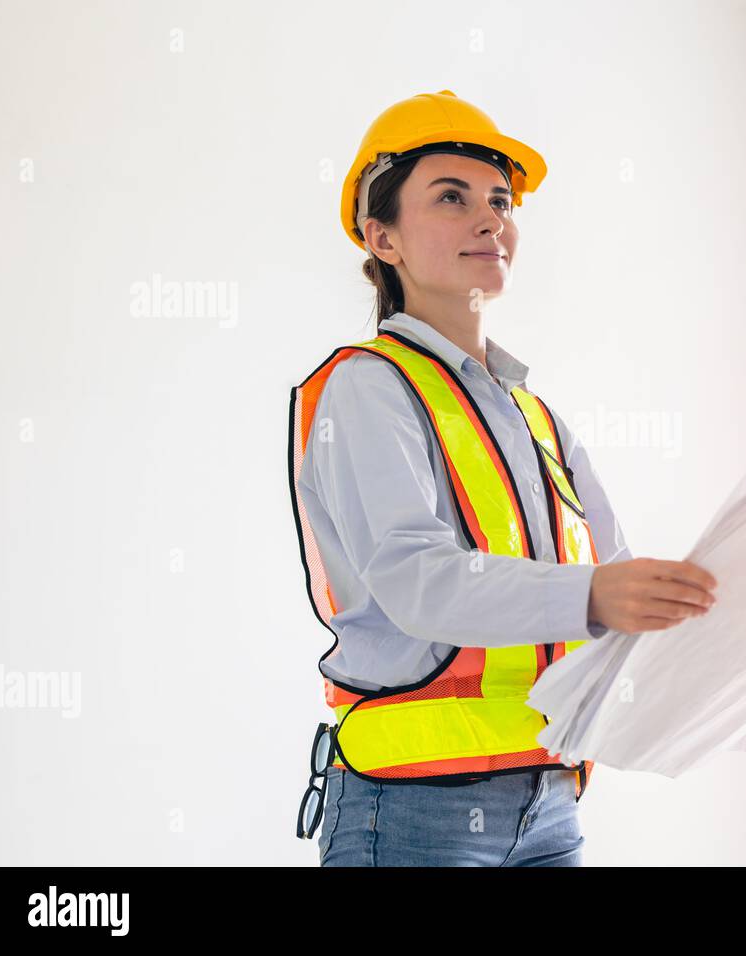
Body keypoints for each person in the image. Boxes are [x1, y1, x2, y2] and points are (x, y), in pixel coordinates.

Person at [287, 91, 719, 866]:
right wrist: (594, 596)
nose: (491, 220)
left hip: (550, 802)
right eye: (452, 198)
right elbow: (421, 584)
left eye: (500, 201)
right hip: (411, 809)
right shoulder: (365, 388)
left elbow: (615, 587)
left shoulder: (536, 416)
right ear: (382, 237)